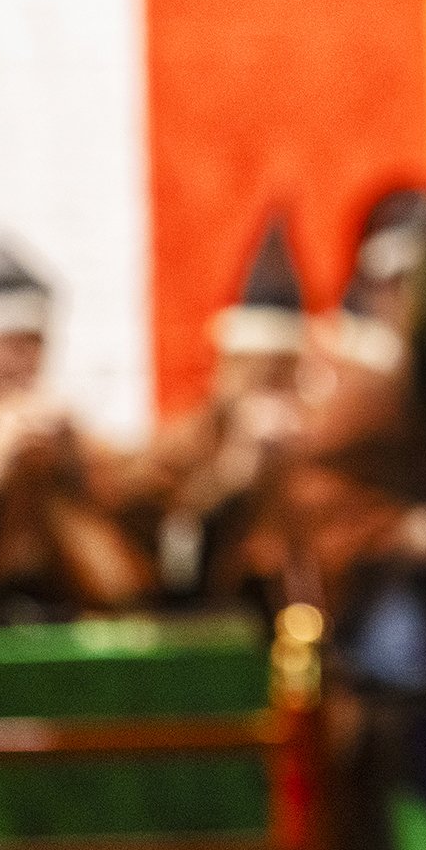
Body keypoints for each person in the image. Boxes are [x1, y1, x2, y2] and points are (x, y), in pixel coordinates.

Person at [0, 241, 153, 620]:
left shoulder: (78, 446)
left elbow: (126, 590)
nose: (9, 361)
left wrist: (73, 467)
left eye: (26, 344)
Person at [121, 218, 311, 605]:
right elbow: (165, 563)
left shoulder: (319, 441)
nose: (267, 390)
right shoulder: (183, 443)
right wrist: (227, 479)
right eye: (255, 371)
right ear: (227, 367)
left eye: (282, 373)